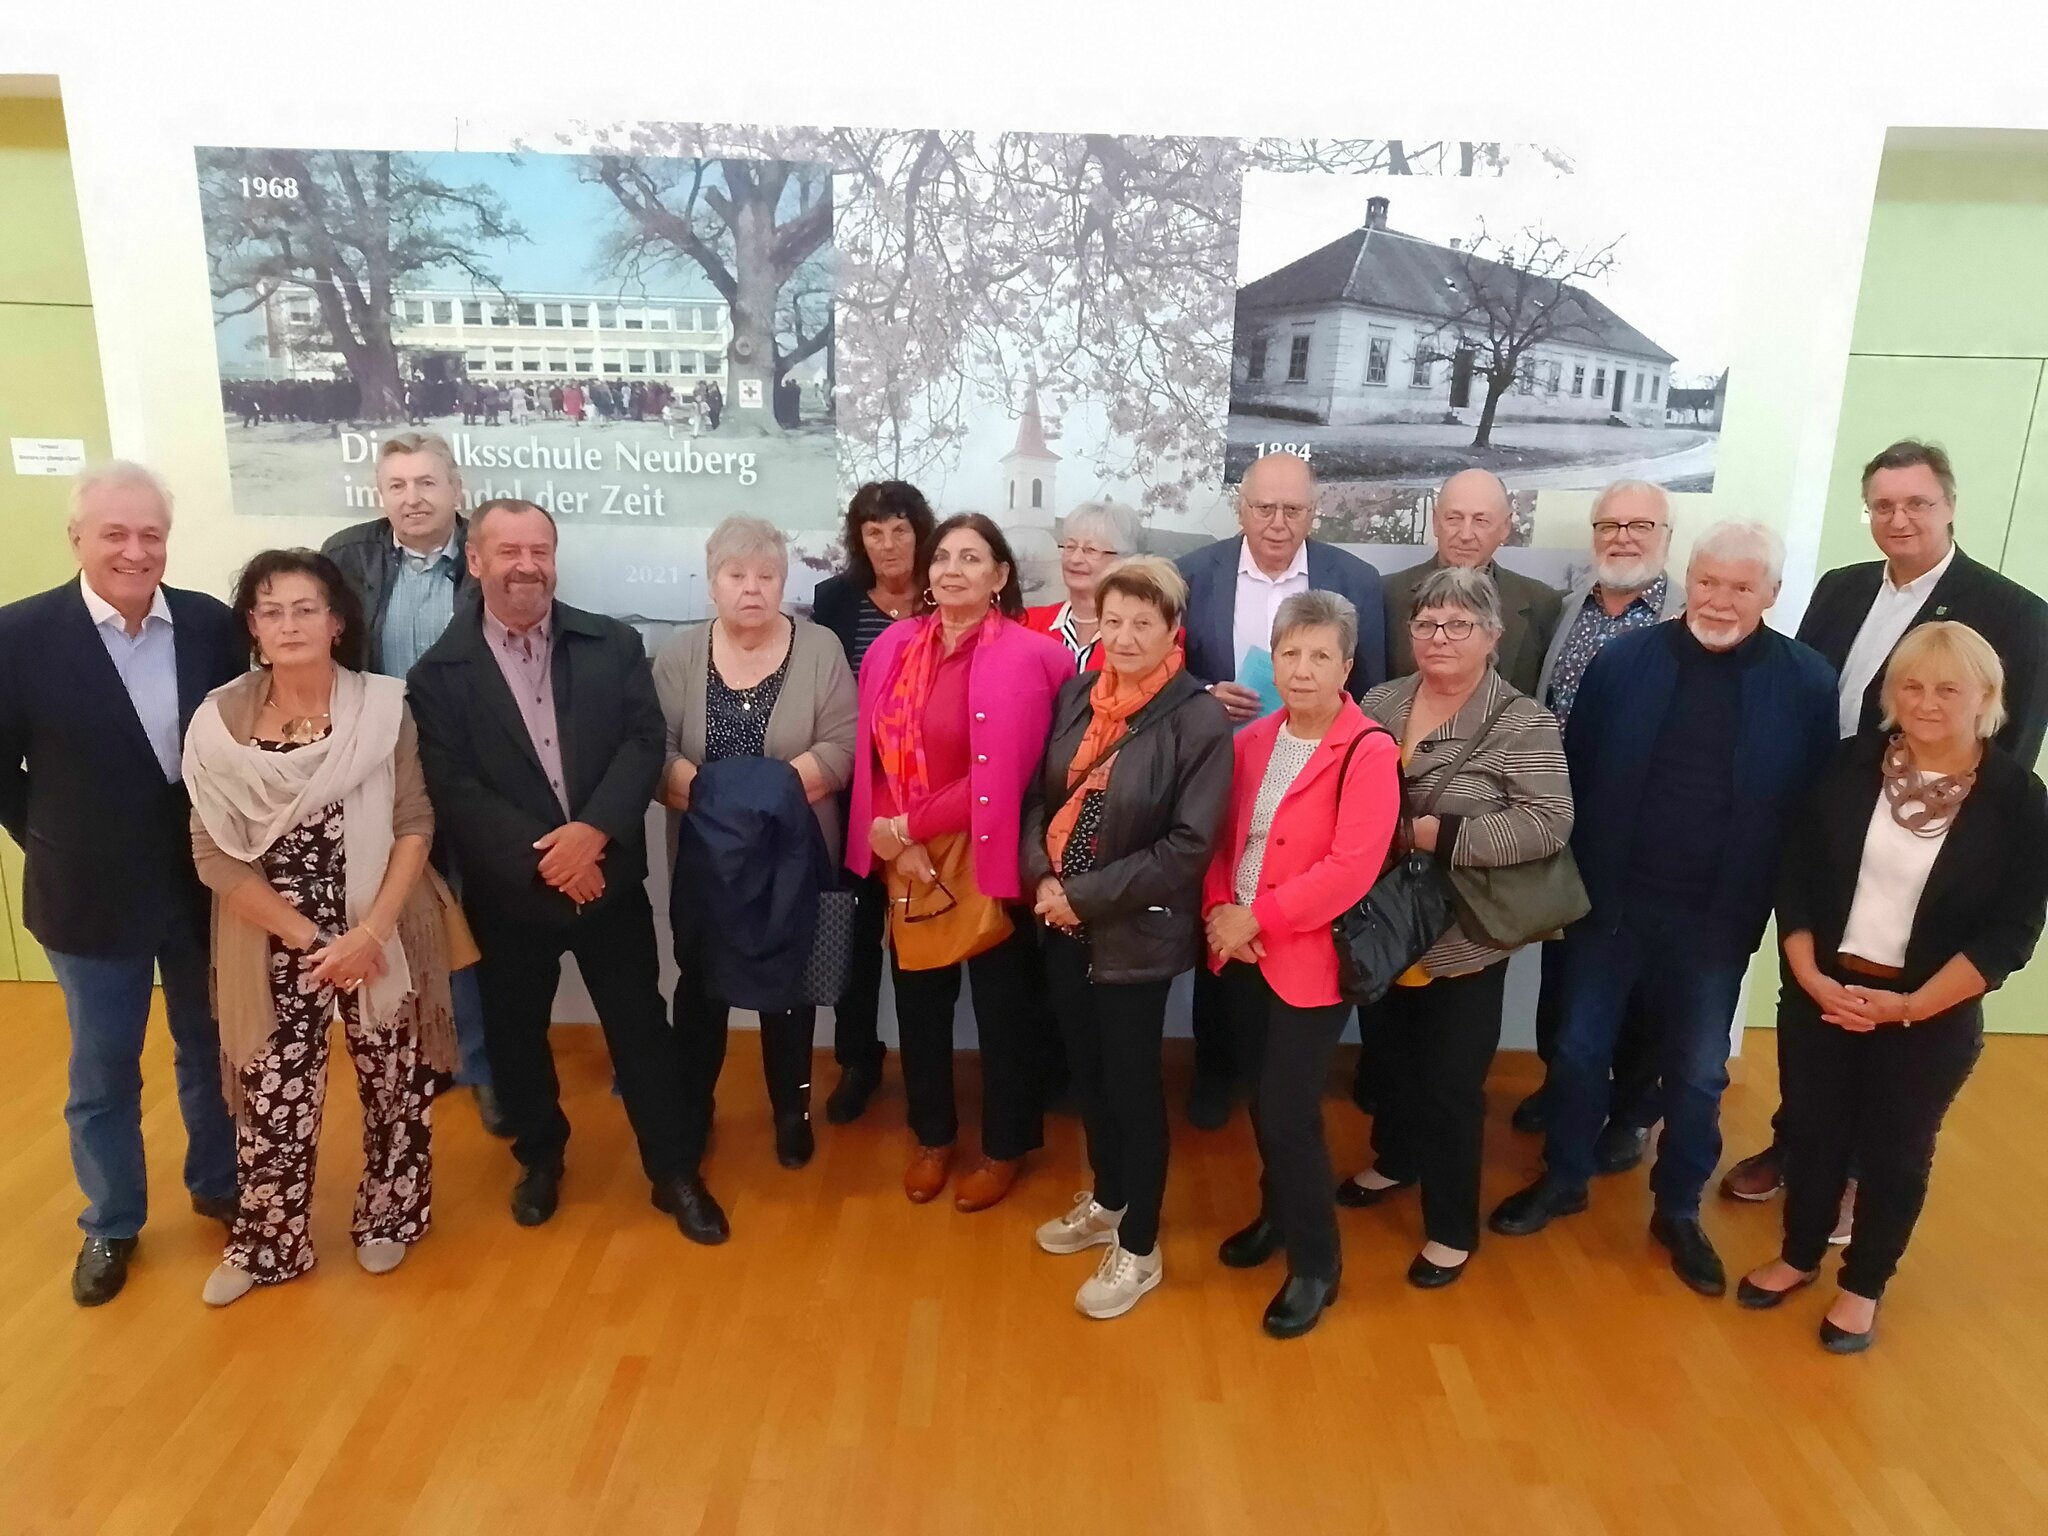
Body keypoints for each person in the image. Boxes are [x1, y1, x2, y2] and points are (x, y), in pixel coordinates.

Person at [1489, 522, 1838, 1299]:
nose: (1719, 599)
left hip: (1717, 919)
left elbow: (1812, 809)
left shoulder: (1809, 682)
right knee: (1578, 1053)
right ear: (1689, 581)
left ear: (1771, 596)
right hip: (1609, 904)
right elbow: (1573, 773)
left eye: (1742, 587)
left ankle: (1677, 1208)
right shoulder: (1625, 662)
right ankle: (1567, 1178)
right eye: (1708, 582)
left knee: (1698, 1076)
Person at [1722, 438, 2048, 1203]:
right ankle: (1797, 1145)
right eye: (1884, 504)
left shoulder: (2016, 613)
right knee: (1809, 1001)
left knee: (1892, 1020)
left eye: (1917, 503)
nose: (1899, 518)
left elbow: (2013, 748)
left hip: (1927, 845)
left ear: (1950, 505)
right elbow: (1799, 692)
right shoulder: (1840, 588)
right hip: (1829, 828)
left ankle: (1856, 1175)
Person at [408, 498, 714, 1240]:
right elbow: (452, 791)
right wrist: (550, 859)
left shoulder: (609, 642)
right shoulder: (439, 673)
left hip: (607, 880)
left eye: (539, 550)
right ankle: (540, 1157)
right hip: (512, 894)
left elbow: (643, 741)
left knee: (641, 1028)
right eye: (508, 551)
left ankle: (672, 1171)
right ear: (475, 561)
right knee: (516, 1036)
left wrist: (592, 836)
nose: (526, 565)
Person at [1737, 623, 2047, 1351]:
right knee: (1811, 1135)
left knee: (1895, 1154)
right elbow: (1799, 877)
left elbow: (2010, 933)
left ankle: (1862, 1286)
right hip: (1824, 993)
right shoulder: (1850, 766)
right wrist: (1810, 974)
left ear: (1987, 698)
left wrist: (1910, 1005)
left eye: (1948, 688)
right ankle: (1798, 1255)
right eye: (1911, 684)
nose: (1927, 701)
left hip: (1929, 1012)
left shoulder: (2018, 800)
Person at [185, 551, 469, 1306]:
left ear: (337, 622)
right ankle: (270, 1243)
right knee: (275, 1091)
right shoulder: (219, 720)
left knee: (394, 1084)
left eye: (306, 608)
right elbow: (212, 853)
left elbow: (414, 822)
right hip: (274, 937)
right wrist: (313, 941)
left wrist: (370, 933)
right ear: (252, 626)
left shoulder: (381, 708)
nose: (289, 624)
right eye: (271, 610)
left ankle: (390, 1218)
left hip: (382, 926)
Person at [0, 463, 243, 1307]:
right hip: (87, 893)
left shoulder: (213, 627)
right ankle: (113, 1220)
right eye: (115, 533)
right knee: (103, 1070)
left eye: (151, 534)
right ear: (77, 539)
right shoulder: (18, 635)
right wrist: (55, 836)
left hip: (205, 887)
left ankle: (221, 1186)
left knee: (212, 1050)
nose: (136, 551)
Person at [1337, 567, 1573, 1288]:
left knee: (1449, 1081)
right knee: (1392, 1060)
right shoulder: (1380, 699)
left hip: (1462, 930)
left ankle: (1449, 1227)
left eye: (1458, 625)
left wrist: (1446, 837)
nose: (1439, 638)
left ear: (1493, 636)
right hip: (1383, 921)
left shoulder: (1522, 720)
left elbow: (1549, 822)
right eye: (1427, 625)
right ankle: (1397, 1158)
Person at [1020, 557, 1232, 1318]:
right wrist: (1042, 882)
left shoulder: (1197, 717)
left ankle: (1139, 1246)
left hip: (1133, 935)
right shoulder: (1079, 692)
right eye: (1114, 620)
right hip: (1061, 923)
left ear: (1174, 629)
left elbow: (1186, 847)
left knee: (1134, 1087)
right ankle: (1108, 1200)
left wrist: (1082, 896)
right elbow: (1040, 800)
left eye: (1145, 621)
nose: (1127, 635)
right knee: (1088, 1073)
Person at [847, 513, 1074, 1212]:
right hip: (908, 861)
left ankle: (1005, 1147)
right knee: (919, 1007)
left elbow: (1010, 776)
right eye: (942, 556)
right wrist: (896, 838)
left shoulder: (1038, 659)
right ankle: (933, 1137)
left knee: (1006, 1011)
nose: (951, 569)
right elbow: (874, 749)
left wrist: (912, 822)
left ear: (1000, 576)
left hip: (992, 856)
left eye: (971, 558)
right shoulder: (891, 646)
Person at [1205, 591, 1401, 1339]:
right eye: (1290, 653)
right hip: (1243, 948)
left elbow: (1352, 867)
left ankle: (1317, 1263)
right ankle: (1277, 1217)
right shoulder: (1254, 740)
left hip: (1308, 957)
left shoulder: (1367, 749)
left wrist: (1260, 915)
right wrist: (1224, 911)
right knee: (1260, 1098)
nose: (1303, 669)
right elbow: (1223, 839)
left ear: (1347, 665)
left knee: (1290, 1114)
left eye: (1321, 655)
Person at [654, 518, 857, 1220]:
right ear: (713, 581)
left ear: (783, 582)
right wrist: (732, 808)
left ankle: (790, 1115)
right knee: (702, 986)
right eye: (737, 576)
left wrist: (743, 802)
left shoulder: (821, 648)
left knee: (789, 986)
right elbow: (655, 755)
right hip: (703, 865)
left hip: (798, 859)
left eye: (766, 576)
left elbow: (841, 747)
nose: (752, 589)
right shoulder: (678, 656)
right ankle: (694, 1110)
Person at [1176, 451, 1386, 1130]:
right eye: (1264, 507)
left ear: (1312, 512)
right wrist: (1206, 696)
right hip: (1227, 768)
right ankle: (1215, 1076)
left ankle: (1278, 1104)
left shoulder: (1355, 579)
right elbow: (1169, 676)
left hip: (1319, 781)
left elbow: (1371, 684)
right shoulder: (1193, 573)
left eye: (1292, 509)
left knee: (1289, 961)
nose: (1277, 522)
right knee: (1222, 956)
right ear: (1240, 507)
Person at [320, 433, 501, 1136]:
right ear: (380, 494)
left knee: (470, 921)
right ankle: (423, 1058)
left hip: (473, 768)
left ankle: (483, 1067)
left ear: (456, 490)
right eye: (396, 485)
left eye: (426, 483)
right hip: (378, 770)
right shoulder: (348, 556)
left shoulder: (489, 555)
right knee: (393, 920)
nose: (412, 498)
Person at [1512, 479, 1686, 1146]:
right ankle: (1565, 1085)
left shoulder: (1686, 618)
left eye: (1640, 526)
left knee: (1640, 977)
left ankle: (1631, 1109)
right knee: (1564, 966)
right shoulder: (1563, 611)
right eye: (1610, 525)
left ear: (1666, 538)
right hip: (1561, 820)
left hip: (1646, 831)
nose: (1623, 537)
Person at [808, 480, 937, 1124]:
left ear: (922, 533)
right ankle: (856, 1058)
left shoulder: (947, 596)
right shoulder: (833, 601)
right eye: (874, 531)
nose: (888, 544)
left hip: (929, 805)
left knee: (923, 939)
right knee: (846, 937)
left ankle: (927, 1070)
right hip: (851, 801)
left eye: (900, 529)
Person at [1381, 469, 1564, 694]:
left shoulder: (1542, 604)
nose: (1466, 534)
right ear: (1436, 522)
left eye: (1480, 520)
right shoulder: (1386, 596)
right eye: (1454, 518)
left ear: (1505, 528)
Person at [1024, 500, 1142, 671]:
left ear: (1124, 559)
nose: (1075, 559)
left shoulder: (1148, 637)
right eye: (1070, 547)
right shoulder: (1028, 625)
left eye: (1091, 550)